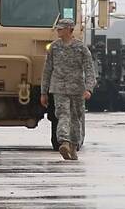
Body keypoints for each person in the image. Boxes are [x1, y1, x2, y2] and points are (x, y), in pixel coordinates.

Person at [39, 17, 95, 161]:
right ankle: (64, 142)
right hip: (59, 88)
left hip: (77, 89)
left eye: (61, 28)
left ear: (70, 30)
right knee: (63, 114)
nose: (58, 30)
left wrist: (89, 88)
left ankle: (73, 146)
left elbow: (89, 70)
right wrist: (43, 92)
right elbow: (47, 70)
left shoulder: (81, 48)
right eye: (58, 28)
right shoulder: (54, 47)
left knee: (76, 117)